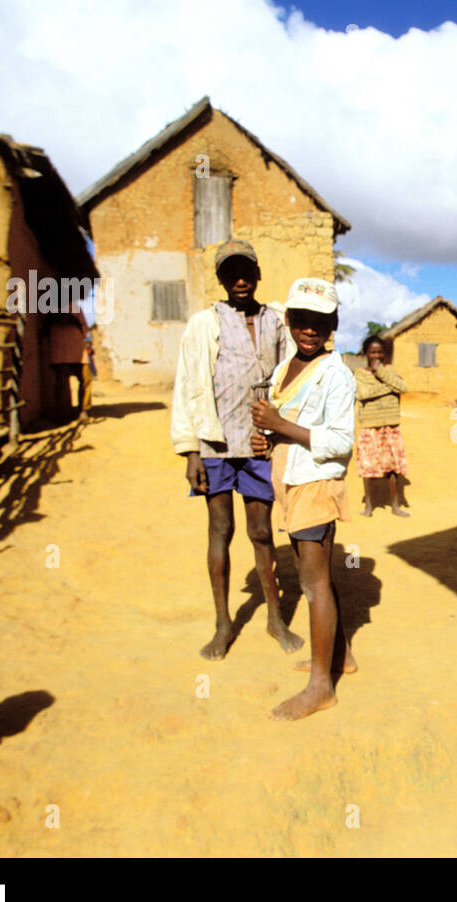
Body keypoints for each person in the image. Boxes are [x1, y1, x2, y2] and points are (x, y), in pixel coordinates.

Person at [171, 239, 301, 662]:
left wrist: (282, 430)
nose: (240, 280)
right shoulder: (203, 324)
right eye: (231, 273)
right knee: (220, 530)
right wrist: (191, 450)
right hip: (215, 442)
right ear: (222, 279)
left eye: (247, 272)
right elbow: (189, 385)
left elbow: (289, 379)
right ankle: (223, 623)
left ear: (258, 274)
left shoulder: (277, 322)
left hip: (261, 442)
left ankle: (275, 618)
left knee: (262, 532)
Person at [250, 277, 357, 721]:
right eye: (301, 320)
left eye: (319, 322)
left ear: (331, 325)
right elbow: (281, 426)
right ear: (290, 321)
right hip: (288, 480)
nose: (309, 330)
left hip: (315, 484)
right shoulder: (283, 369)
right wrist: (268, 437)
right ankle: (340, 657)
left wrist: (281, 425)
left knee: (313, 585)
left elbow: (340, 441)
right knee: (316, 576)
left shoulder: (337, 375)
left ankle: (320, 687)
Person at [352, 335, 410, 516]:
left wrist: (381, 373)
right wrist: (389, 387)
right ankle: (369, 506)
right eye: (372, 352)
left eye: (379, 352)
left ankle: (395, 505)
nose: (376, 355)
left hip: (390, 426)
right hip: (370, 426)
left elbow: (403, 388)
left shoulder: (390, 371)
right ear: (366, 353)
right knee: (368, 467)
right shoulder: (360, 374)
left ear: (384, 353)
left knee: (392, 468)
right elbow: (362, 393)